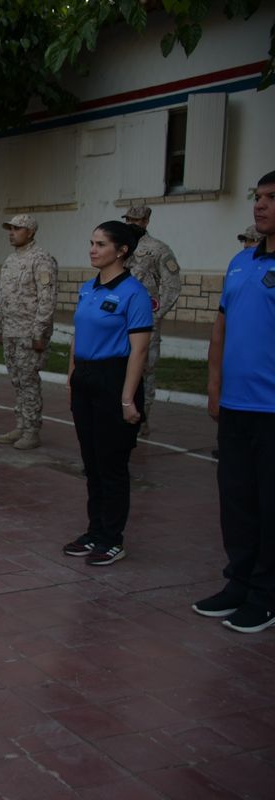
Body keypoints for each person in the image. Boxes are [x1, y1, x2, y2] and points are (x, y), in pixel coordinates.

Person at [197, 170, 275, 633]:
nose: (260, 205)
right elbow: (221, 328)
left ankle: (266, 594)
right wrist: (214, 387)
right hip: (236, 406)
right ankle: (239, 582)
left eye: (272, 198)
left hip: (271, 410)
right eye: (258, 197)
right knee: (237, 500)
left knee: (270, 505)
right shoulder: (242, 262)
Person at [62, 221, 153, 566]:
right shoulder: (88, 288)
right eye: (91, 243)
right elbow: (78, 335)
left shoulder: (134, 293)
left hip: (114, 380)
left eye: (101, 244)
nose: (93, 249)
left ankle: (112, 538)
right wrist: (71, 377)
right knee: (92, 463)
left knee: (112, 464)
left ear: (122, 250)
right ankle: (94, 531)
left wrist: (127, 399)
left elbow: (139, 351)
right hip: (86, 378)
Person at [0, 214, 58, 450]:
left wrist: (39, 332)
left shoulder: (42, 259)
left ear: (30, 232)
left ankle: (31, 430)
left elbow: (47, 299)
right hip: (11, 330)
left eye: (17, 229)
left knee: (29, 382)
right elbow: (2, 296)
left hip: (29, 333)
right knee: (17, 380)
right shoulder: (10, 260)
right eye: (10, 229)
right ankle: (20, 425)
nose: (11, 233)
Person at [122, 206, 180, 436]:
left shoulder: (158, 249)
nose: (132, 223)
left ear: (146, 221)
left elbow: (172, 285)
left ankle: (141, 419)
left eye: (136, 219)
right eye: (128, 219)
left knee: (145, 369)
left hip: (145, 322)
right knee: (119, 367)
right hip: (120, 320)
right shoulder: (120, 245)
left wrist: (156, 316)